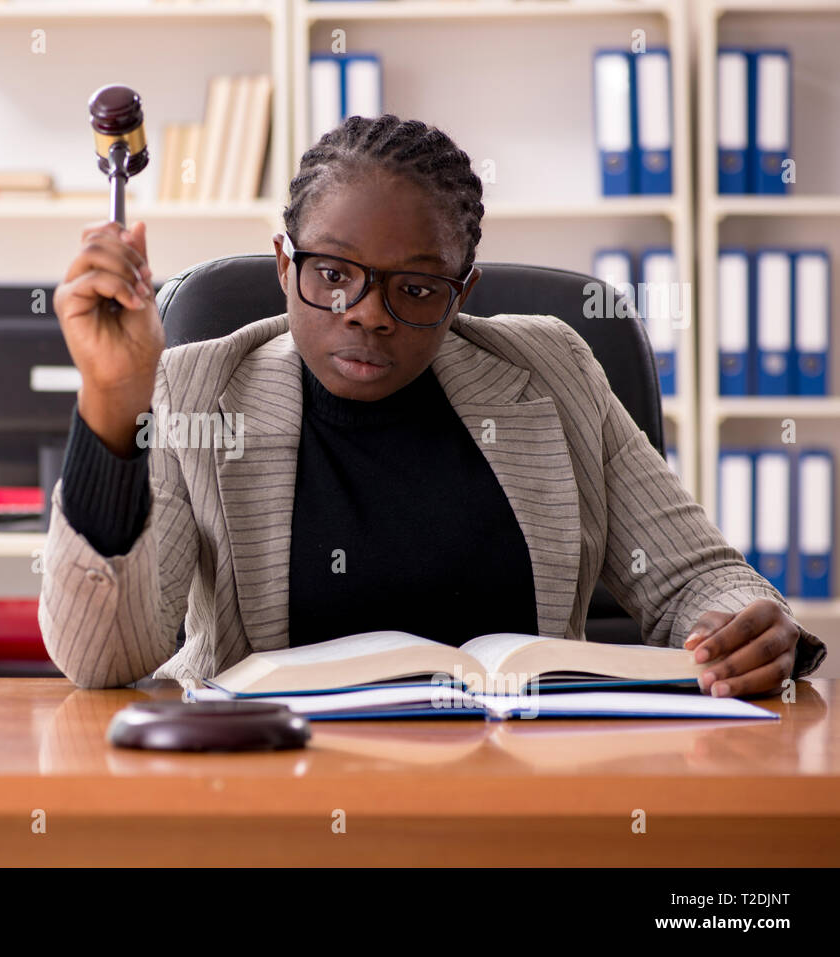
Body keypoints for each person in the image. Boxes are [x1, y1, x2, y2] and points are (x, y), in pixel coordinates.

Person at [41, 114, 827, 693]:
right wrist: (114, 399)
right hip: (281, 793)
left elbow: (700, 576)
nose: (369, 311)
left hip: (527, 795)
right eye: (333, 273)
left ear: (462, 294)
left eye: (415, 287)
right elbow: (104, 657)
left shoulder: (554, 373)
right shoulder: (199, 390)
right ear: (285, 266)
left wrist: (747, 624)